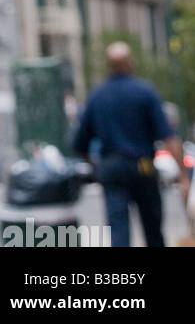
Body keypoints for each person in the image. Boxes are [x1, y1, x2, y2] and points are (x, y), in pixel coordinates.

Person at [71, 42, 190, 247]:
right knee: (153, 227)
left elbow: (80, 142)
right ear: (130, 63)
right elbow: (169, 137)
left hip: (111, 167)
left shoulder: (97, 95)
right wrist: (183, 175)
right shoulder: (144, 92)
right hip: (142, 165)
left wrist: (97, 166)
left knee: (118, 230)